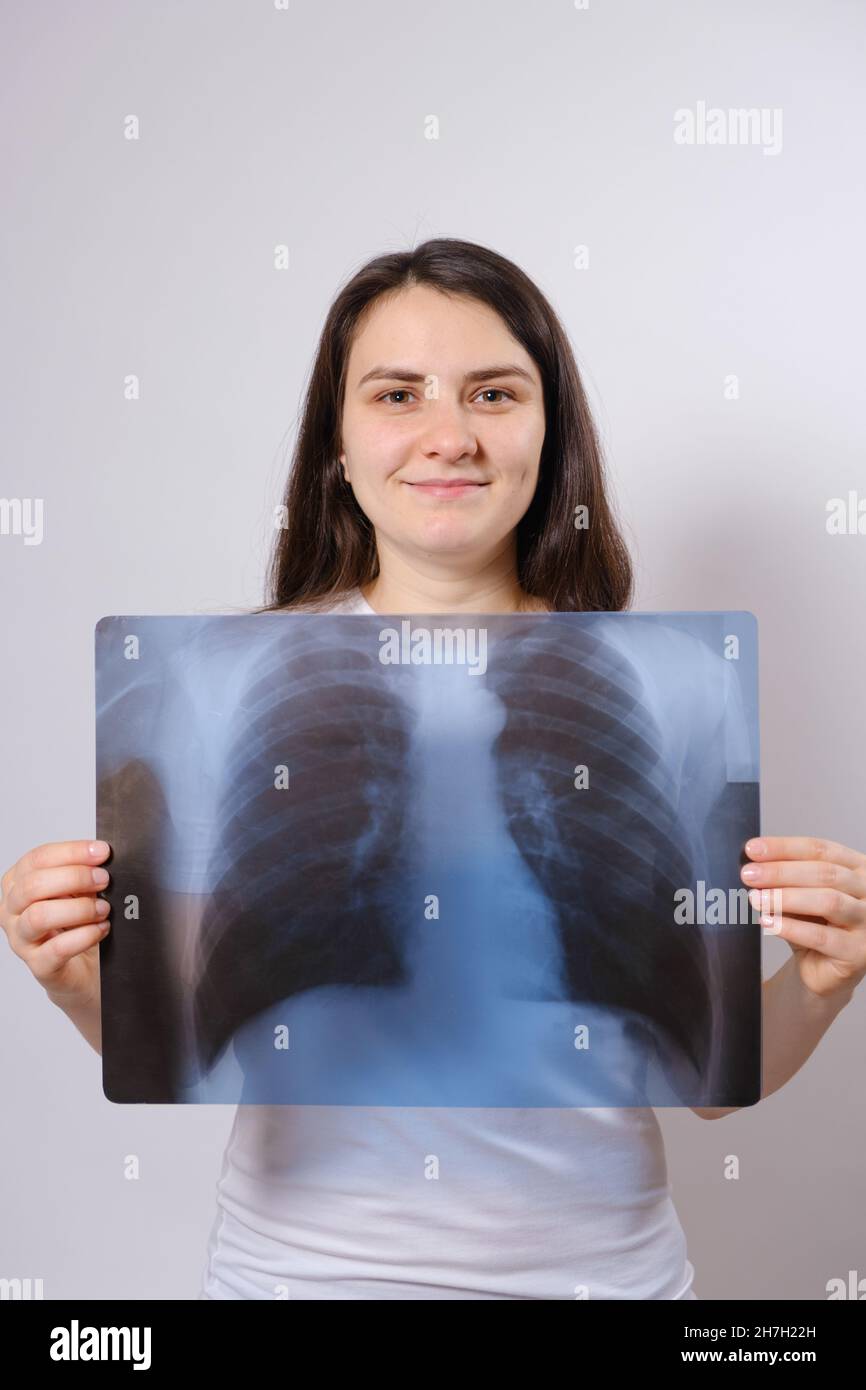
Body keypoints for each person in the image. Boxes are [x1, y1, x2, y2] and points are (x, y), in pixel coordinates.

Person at [2, 238, 864, 1300]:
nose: (446, 436)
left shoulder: (674, 686)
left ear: (550, 432)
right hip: (298, 1285)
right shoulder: (215, 688)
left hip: (606, 1285)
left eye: (492, 393)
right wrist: (76, 981)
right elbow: (175, 1040)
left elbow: (713, 1086)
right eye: (396, 394)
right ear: (338, 440)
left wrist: (823, 983)